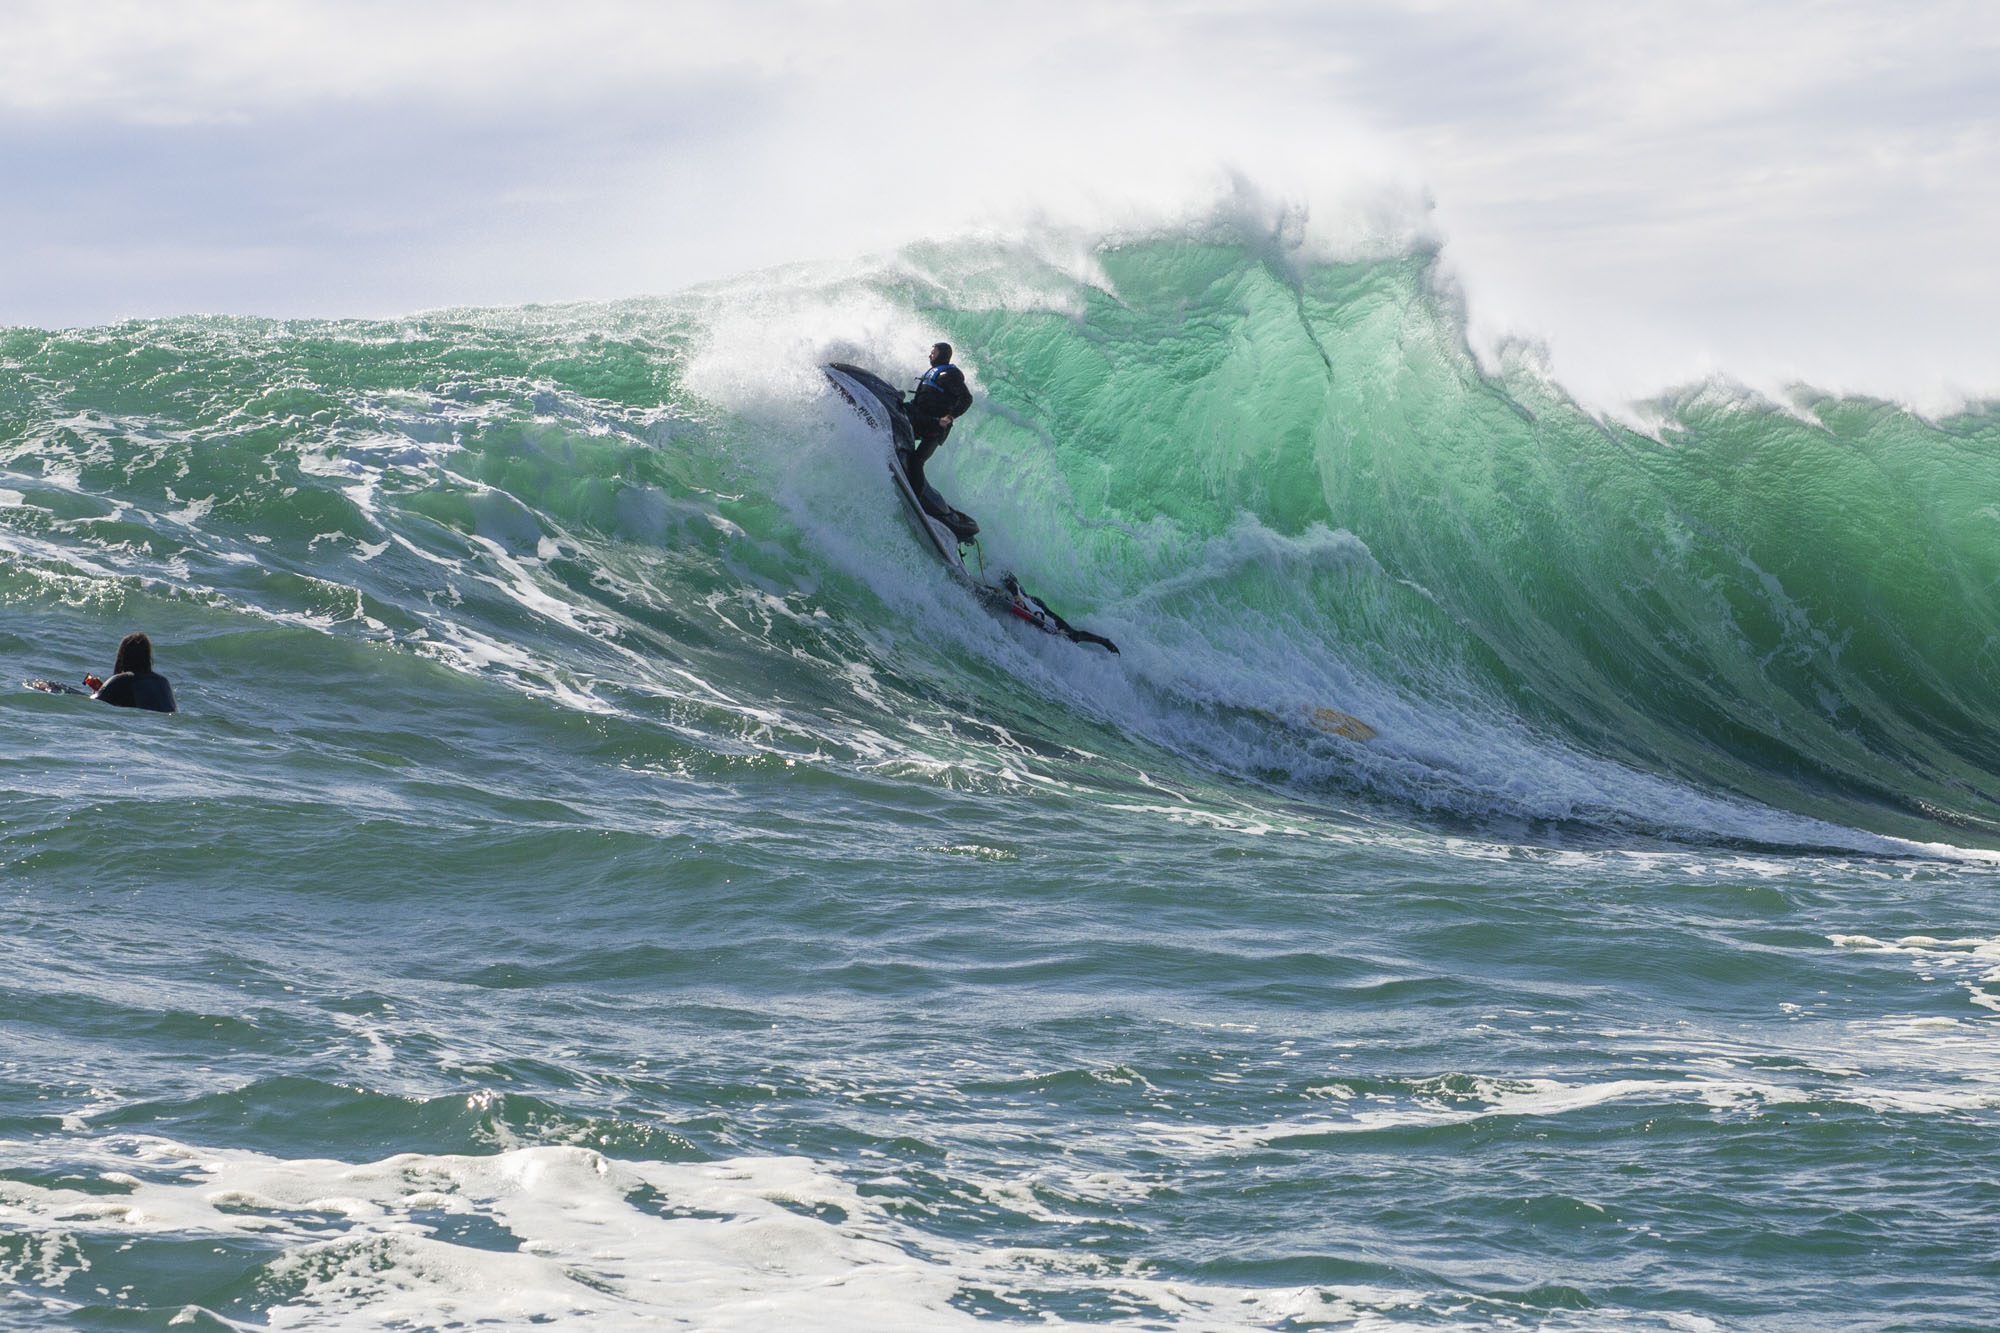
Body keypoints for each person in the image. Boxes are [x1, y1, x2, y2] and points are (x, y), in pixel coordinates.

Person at [903, 341, 973, 490]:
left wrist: (949, 417)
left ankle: (916, 499)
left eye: (934, 353)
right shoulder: (933, 373)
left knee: (917, 461)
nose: (930, 355)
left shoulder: (949, 375)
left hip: (935, 426)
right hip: (921, 419)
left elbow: (966, 398)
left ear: (943, 355)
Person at [84, 632, 177, 713]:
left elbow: (94, 704)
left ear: (123, 656)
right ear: (148, 657)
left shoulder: (122, 679)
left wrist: (98, 692)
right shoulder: (163, 682)